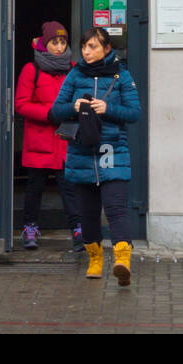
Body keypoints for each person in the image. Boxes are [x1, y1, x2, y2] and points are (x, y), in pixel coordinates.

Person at [48, 26, 141, 285]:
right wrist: (73, 107)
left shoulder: (122, 76)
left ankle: (122, 260)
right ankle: (96, 260)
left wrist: (108, 108)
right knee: (87, 214)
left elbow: (134, 113)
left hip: (113, 151)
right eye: (84, 47)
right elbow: (54, 112)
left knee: (116, 209)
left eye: (93, 47)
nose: (87, 52)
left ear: (107, 49)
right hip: (81, 152)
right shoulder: (75, 76)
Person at [14, 21, 83, 251]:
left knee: (69, 187)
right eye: (55, 42)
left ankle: (78, 230)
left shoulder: (73, 69)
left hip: (64, 140)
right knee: (35, 187)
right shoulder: (31, 69)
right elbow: (21, 104)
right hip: (39, 140)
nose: (59, 46)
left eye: (63, 42)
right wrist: (50, 113)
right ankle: (30, 227)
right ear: (45, 43)